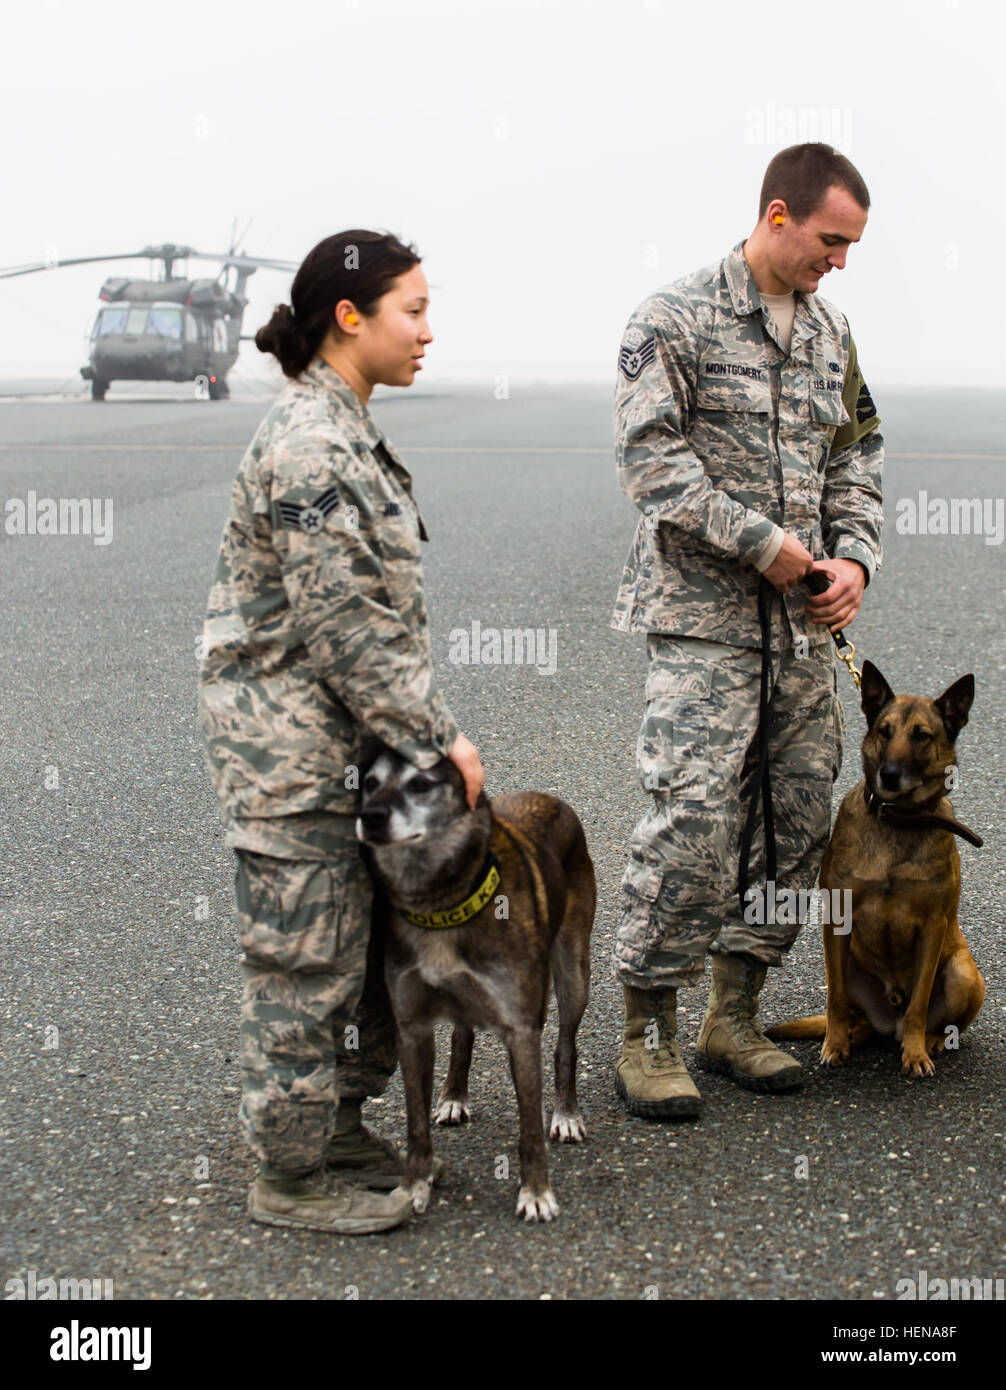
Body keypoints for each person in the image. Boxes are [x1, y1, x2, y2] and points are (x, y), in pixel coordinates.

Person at [198, 229, 484, 1232]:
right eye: (412, 308)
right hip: (293, 751)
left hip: (355, 749)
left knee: (366, 948)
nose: (428, 330)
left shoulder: (348, 428)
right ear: (349, 317)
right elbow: (343, 625)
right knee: (303, 963)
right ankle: (287, 1176)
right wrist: (441, 736)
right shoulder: (313, 444)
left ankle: (337, 1126)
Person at [611, 144, 883, 1118]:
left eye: (851, 246)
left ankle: (735, 1012)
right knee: (689, 819)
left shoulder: (830, 334)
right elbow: (650, 463)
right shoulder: (670, 317)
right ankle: (647, 1027)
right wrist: (761, 543)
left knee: (797, 820)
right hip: (702, 623)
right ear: (777, 214)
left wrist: (852, 557)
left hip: (801, 634)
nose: (839, 262)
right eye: (830, 240)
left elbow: (857, 455)